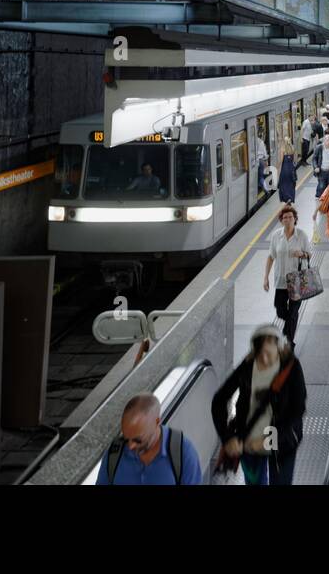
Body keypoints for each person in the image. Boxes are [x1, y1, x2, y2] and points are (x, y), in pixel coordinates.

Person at [211, 325, 306, 486]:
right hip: (248, 441)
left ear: (280, 348)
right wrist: (227, 438)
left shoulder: (292, 368)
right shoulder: (248, 366)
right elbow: (219, 401)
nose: (264, 360)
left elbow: (297, 411)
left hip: (282, 444)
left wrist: (267, 441)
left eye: (269, 354)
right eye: (260, 354)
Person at [100, 393, 202, 485]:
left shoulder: (183, 453)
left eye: (137, 440)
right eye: (127, 439)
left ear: (156, 422)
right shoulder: (114, 454)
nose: (131, 446)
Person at [264, 204, 312, 346]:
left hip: (297, 280)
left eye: (290, 217)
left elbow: (309, 254)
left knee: (292, 312)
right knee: (280, 310)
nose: (288, 219)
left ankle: (288, 343)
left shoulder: (301, 235)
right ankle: (288, 331)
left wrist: (301, 254)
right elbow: (271, 257)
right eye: (285, 217)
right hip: (281, 280)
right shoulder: (276, 236)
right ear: (281, 220)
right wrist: (265, 277)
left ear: (295, 219)